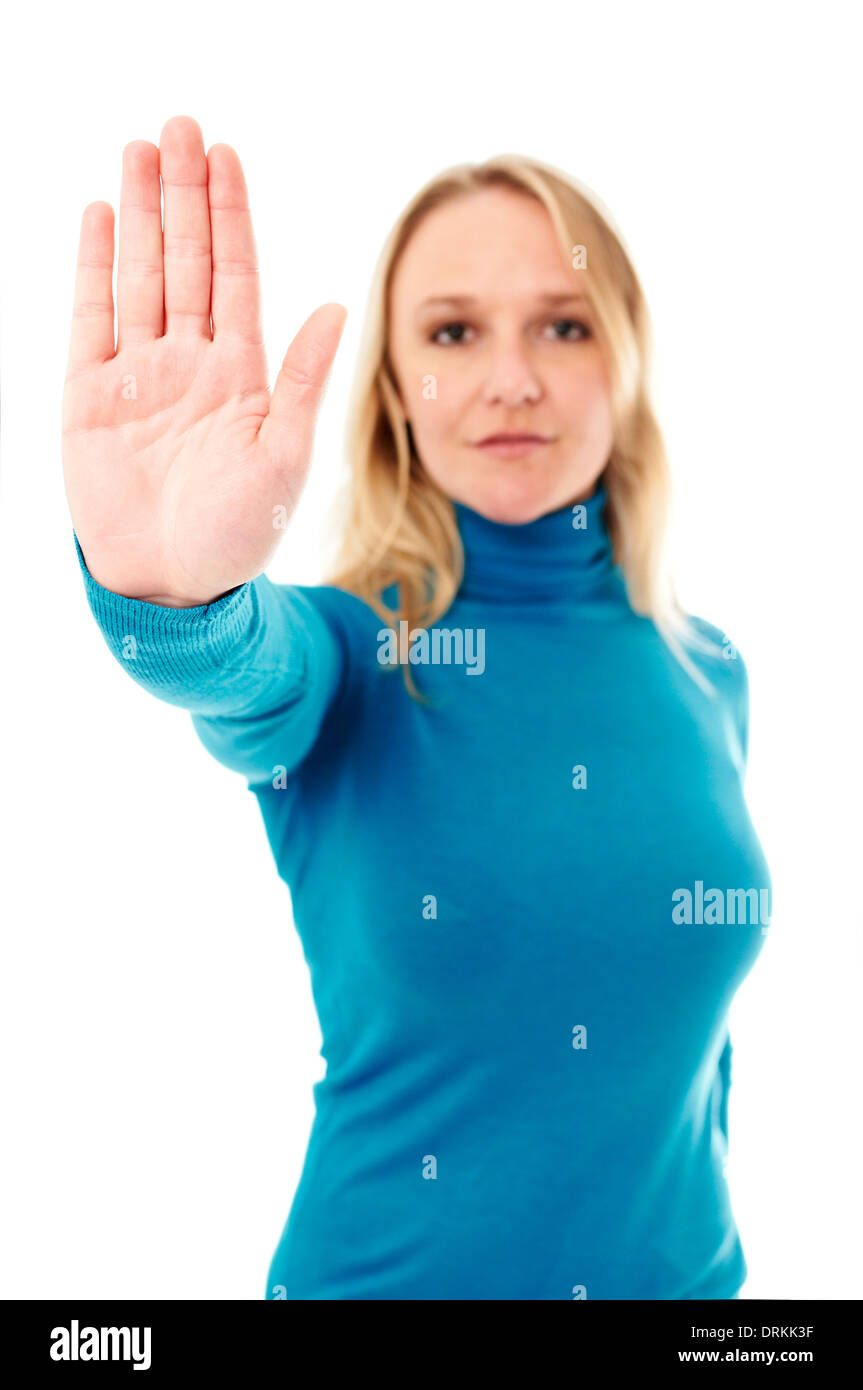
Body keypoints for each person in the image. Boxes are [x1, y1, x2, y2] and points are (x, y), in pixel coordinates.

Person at [63, 115, 772, 1300]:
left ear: (626, 355)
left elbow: (682, 1062)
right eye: (452, 331)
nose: (511, 378)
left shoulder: (709, 669)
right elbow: (239, 663)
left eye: (563, 323)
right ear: (395, 388)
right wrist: (172, 588)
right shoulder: (347, 655)